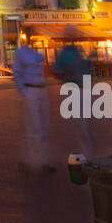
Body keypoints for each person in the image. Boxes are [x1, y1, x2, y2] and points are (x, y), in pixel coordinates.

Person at [12, 40, 53, 172]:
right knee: (34, 127)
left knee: (43, 127)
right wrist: (24, 91)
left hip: (40, 89)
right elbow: (17, 73)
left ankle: (42, 160)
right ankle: (36, 161)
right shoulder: (21, 53)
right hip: (31, 90)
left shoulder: (36, 54)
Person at [52, 43, 94, 157]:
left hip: (75, 89)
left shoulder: (66, 52)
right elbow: (88, 72)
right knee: (82, 122)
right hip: (81, 88)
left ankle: (84, 152)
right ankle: (86, 151)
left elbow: (57, 71)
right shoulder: (77, 51)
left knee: (79, 123)